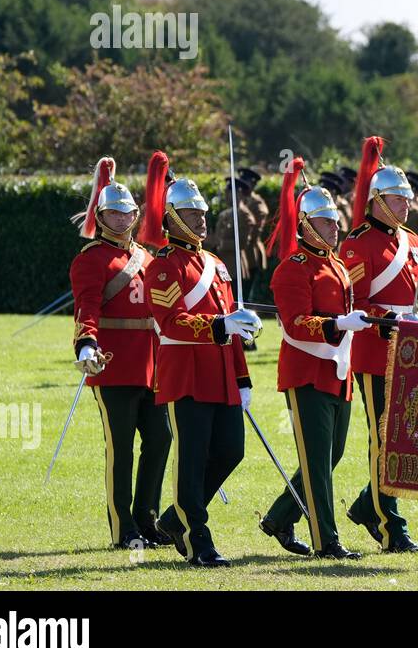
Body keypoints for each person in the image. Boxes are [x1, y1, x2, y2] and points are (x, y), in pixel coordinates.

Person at [141, 151, 262, 566]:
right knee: (191, 459)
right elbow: (172, 323)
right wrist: (221, 325)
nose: (202, 219)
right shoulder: (161, 266)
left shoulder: (216, 263)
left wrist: (243, 378)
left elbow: (232, 333)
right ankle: (197, 539)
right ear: (172, 217)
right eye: (192, 213)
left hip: (223, 375)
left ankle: (176, 518)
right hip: (186, 375)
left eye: (203, 212)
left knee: (231, 451)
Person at [258, 159, 368, 559]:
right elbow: (297, 322)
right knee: (318, 462)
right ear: (305, 225)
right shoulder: (293, 268)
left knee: (330, 455)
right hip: (307, 373)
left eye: (335, 221)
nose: (335, 227)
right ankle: (328, 541)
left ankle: (279, 517)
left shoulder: (337, 264)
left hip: (338, 370)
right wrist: (339, 322)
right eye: (325, 222)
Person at [68, 157, 170, 550]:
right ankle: (122, 525)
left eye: (126, 212)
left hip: (153, 365)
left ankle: (148, 518)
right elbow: (87, 307)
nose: (121, 218)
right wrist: (87, 342)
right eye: (112, 212)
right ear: (100, 214)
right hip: (113, 364)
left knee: (160, 439)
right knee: (121, 447)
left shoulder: (148, 257)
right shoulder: (90, 258)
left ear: (136, 214)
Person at [342, 137, 418, 552]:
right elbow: (355, 302)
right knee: (384, 439)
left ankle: (366, 504)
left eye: (407, 199)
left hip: (413, 350)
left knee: (406, 437)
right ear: (377, 200)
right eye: (398, 199)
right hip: (377, 352)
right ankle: (390, 526)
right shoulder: (358, 243)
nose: (406, 205)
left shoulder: (413, 241)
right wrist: (391, 320)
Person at [236, 168, 269, 304]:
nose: (242, 185)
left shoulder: (257, 203)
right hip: (237, 252)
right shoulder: (238, 200)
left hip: (251, 253)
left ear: (253, 184)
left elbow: (255, 229)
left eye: (246, 182)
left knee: (247, 293)